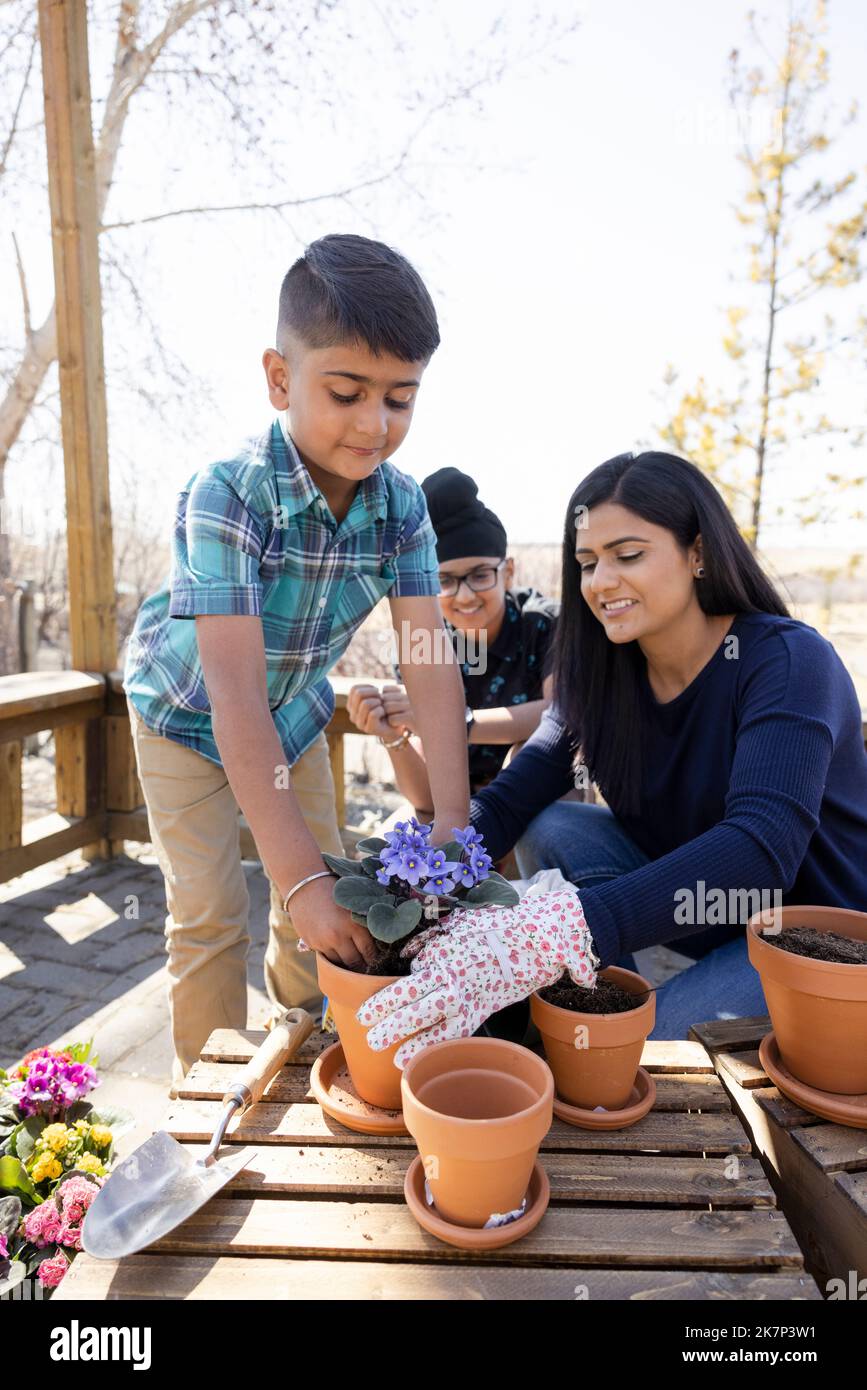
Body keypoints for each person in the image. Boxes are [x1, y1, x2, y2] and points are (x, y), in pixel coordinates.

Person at [356, 450, 867, 1058]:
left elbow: (762, 847)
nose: (600, 582)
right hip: (700, 910)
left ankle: (624, 1002)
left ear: (698, 553)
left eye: (628, 556)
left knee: (630, 1056)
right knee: (555, 822)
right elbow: (515, 797)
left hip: (809, 933)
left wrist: (558, 931)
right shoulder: (600, 672)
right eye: (586, 563)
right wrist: (408, 886)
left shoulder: (785, 663)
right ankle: (611, 985)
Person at [123, 234, 470, 1090]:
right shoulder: (230, 492)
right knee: (212, 915)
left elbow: (429, 660)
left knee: (323, 905)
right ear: (280, 378)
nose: (374, 424)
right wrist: (299, 876)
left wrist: (454, 825)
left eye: (400, 398)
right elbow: (232, 697)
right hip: (186, 714)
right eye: (346, 392)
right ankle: (206, 1096)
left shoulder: (402, 508)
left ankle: (299, 1056)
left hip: (294, 714)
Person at [346, 466, 559, 816]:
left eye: (479, 575)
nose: (464, 596)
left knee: (528, 751)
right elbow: (426, 800)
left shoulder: (544, 624)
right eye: (445, 581)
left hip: (539, 804)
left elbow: (559, 714)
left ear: (508, 571)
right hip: (463, 811)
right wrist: (392, 734)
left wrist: (457, 722)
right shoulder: (425, 642)